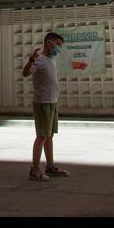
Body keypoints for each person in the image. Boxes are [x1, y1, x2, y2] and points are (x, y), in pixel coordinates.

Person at [22, 32, 69, 181]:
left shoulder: (52, 60)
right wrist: (30, 61)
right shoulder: (39, 59)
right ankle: (34, 170)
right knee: (41, 136)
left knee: (49, 136)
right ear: (49, 43)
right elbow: (25, 74)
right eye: (57, 45)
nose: (58, 49)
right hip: (42, 103)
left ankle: (50, 166)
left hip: (52, 102)